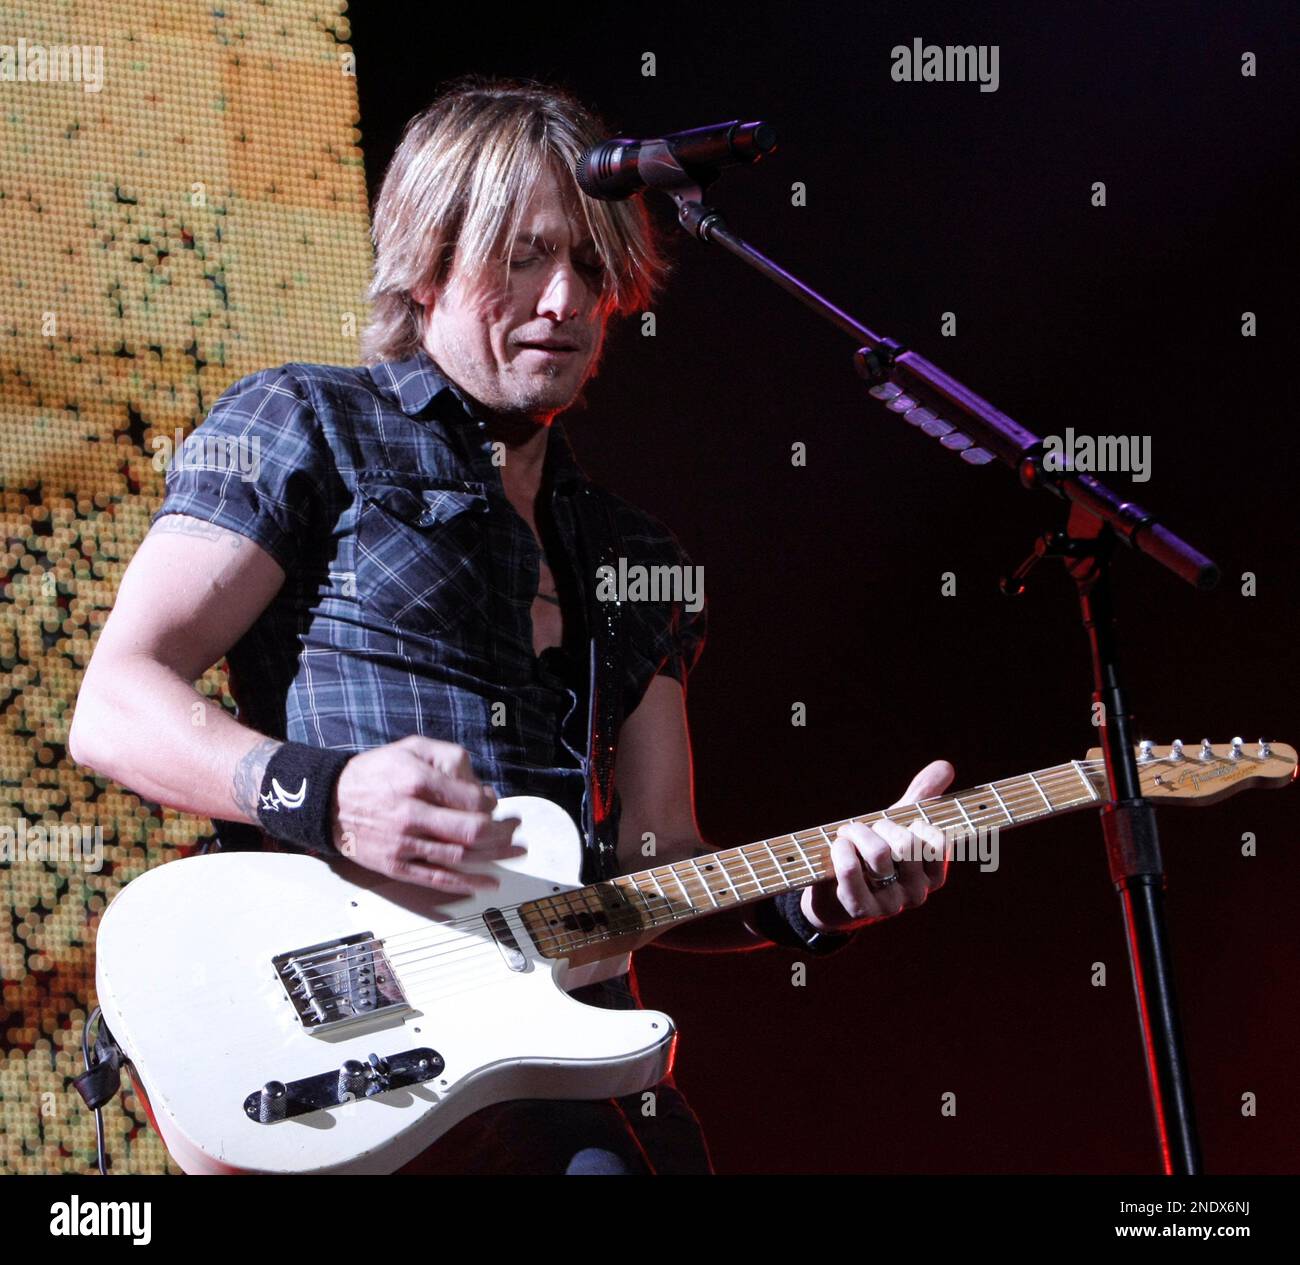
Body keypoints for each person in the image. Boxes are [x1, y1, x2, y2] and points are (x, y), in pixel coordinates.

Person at [69, 75, 956, 1174]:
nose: (566, 301)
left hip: (563, 1071)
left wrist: (817, 895)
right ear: (430, 260)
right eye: (525, 256)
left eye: (592, 266)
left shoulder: (639, 557)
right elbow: (115, 702)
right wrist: (330, 793)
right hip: (348, 1047)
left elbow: (655, 861)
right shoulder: (304, 421)